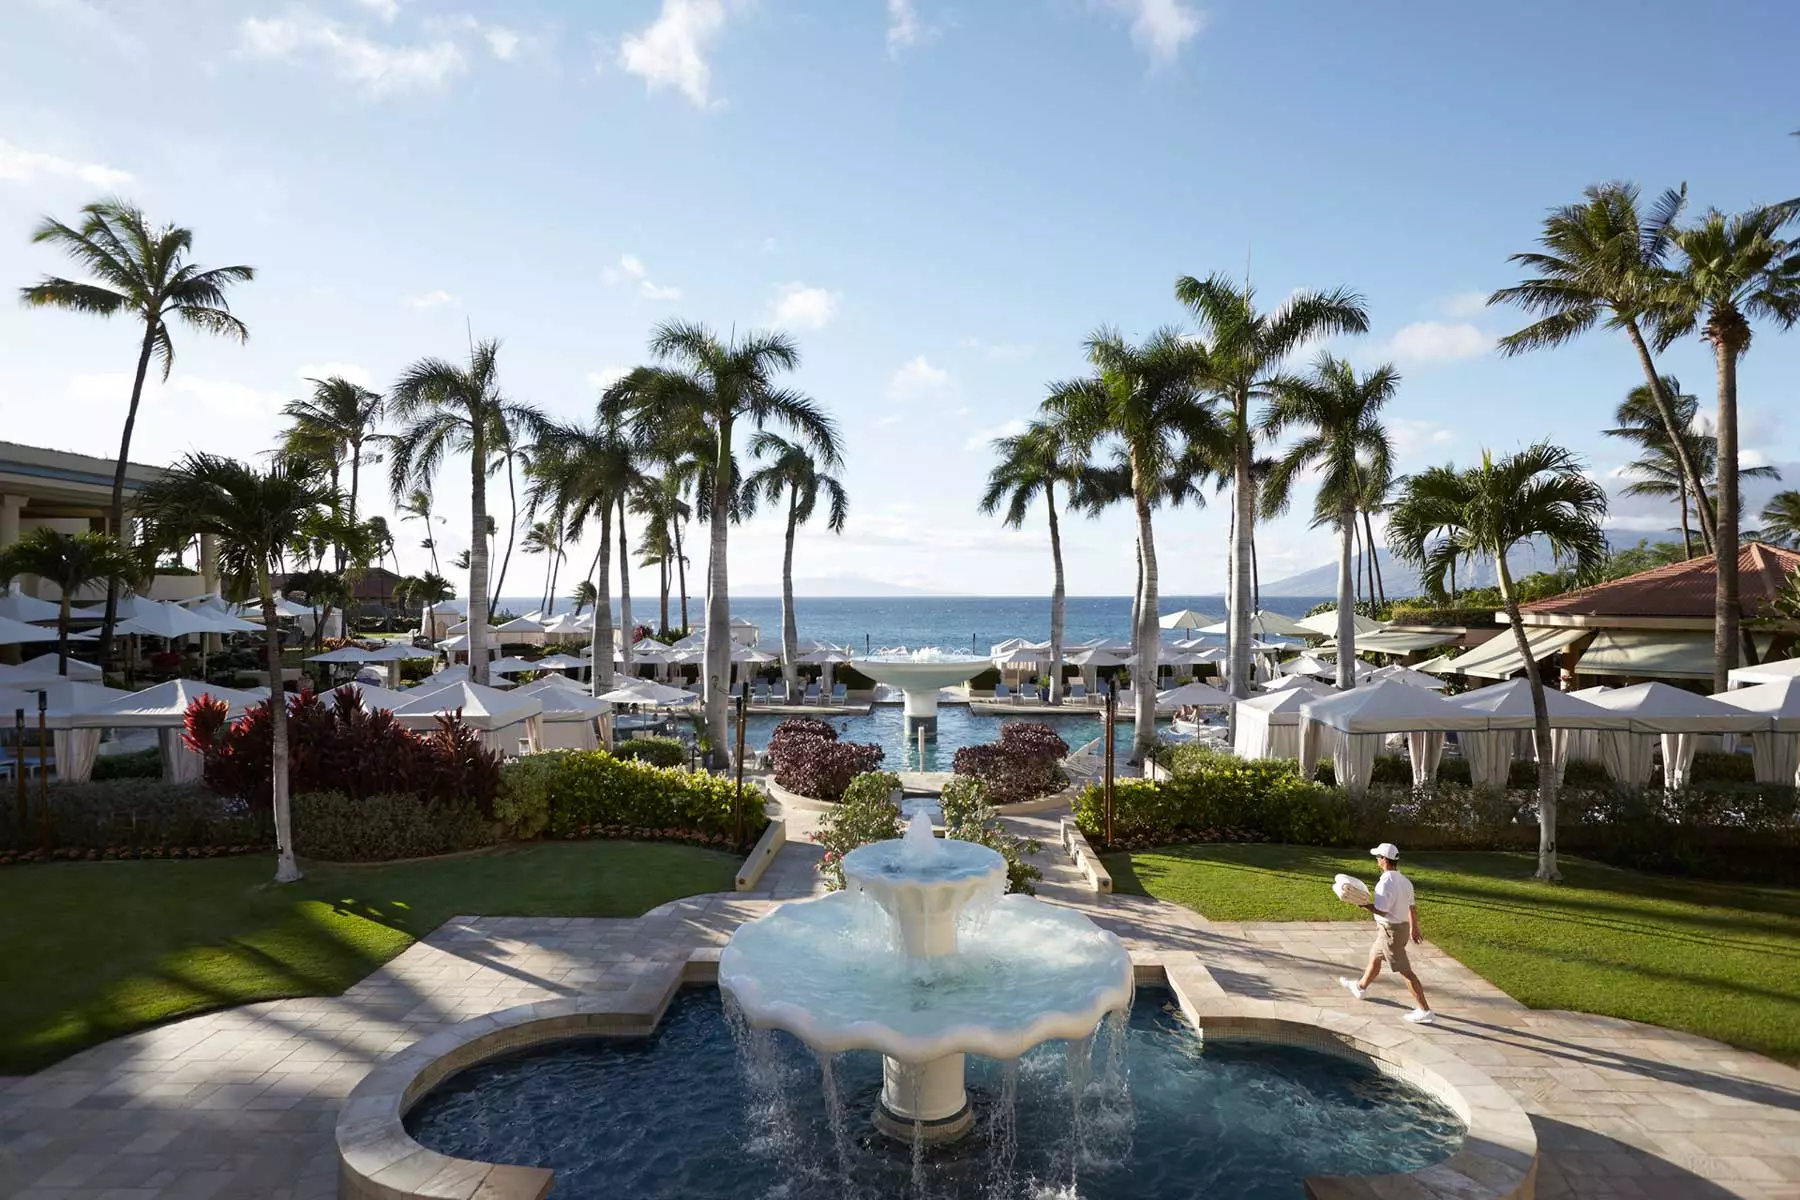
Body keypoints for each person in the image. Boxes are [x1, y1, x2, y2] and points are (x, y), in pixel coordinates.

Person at [1339, 842, 1435, 1024]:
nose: (1376, 860)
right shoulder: (1405, 881)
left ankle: (1425, 1010)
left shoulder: (1385, 883)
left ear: (1384, 860)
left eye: (1378, 857)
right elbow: (1411, 907)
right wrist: (1414, 928)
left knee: (1406, 972)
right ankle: (1360, 987)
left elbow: (1382, 911)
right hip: (1401, 928)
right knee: (1375, 956)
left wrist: (1362, 904)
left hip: (1390, 932)